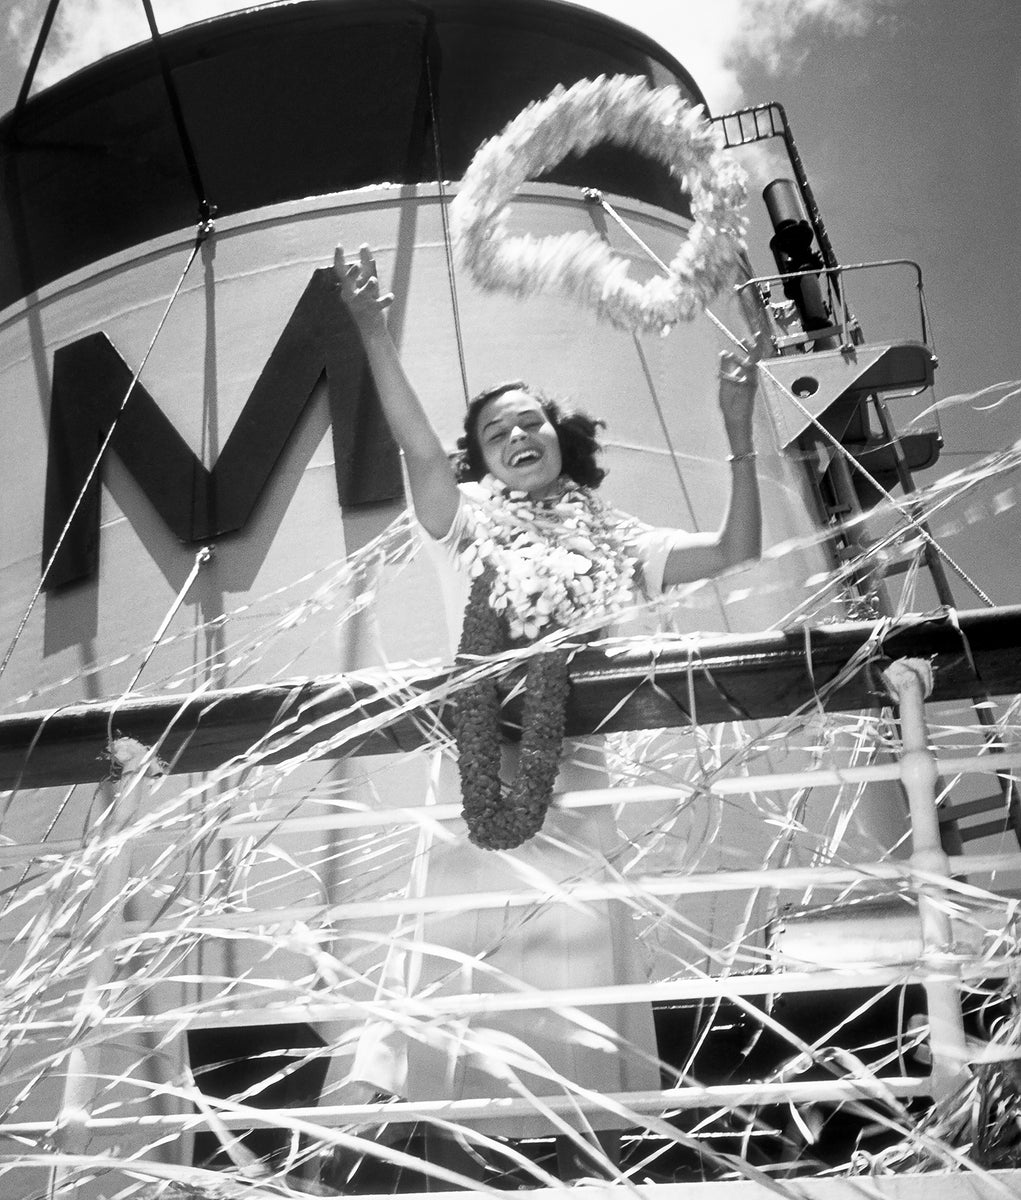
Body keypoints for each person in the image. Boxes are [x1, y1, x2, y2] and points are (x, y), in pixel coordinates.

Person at [319, 244, 761, 1188]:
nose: (519, 437)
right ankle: (390, 1166)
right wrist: (369, 330)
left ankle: (577, 1165)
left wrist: (736, 428)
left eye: (532, 423)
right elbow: (414, 446)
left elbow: (735, 548)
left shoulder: (614, 534)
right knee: (449, 963)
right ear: (478, 458)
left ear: (560, 436)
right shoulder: (464, 521)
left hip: (581, 776)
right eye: (496, 433)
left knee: (575, 970)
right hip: (477, 778)